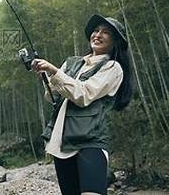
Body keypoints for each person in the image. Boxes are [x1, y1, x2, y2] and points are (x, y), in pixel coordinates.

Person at [31, 15, 134, 195]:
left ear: (115, 41)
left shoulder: (112, 67)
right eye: (96, 30)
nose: (98, 35)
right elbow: (50, 96)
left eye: (106, 32)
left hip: (90, 142)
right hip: (60, 143)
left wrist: (54, 71)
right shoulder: (72, 62)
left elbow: (83, 94)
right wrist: (47, 76)